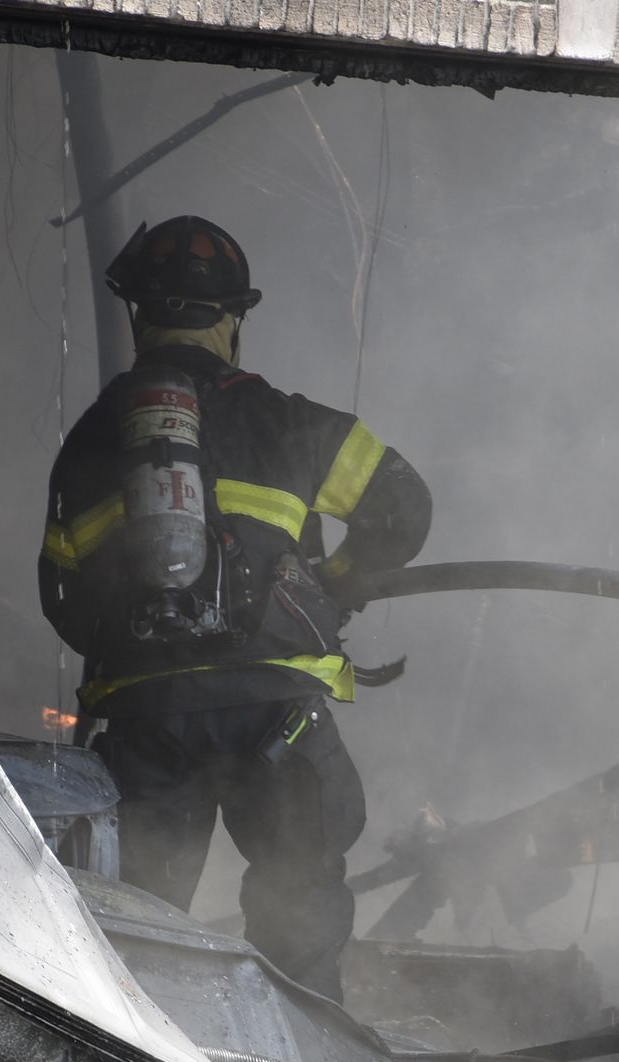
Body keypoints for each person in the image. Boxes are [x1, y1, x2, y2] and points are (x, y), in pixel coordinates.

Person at [39, 216, 431, 1001]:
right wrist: (334, 583)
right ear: (233, 319)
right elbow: (405, 507)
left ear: (140, 317)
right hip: (274, 710)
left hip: (149, 717)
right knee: (300, 907)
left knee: (135, 925)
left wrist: (146, 641)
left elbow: (63, 598)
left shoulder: (89, 440)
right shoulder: (291, 422)